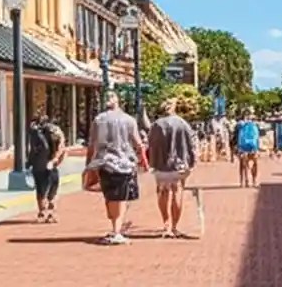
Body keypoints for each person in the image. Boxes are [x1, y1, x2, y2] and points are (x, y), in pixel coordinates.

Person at [84, 91, 148, 245]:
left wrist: (88, 164)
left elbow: (92, 145)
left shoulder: (98, 120)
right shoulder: (128, 120)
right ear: (118, 102)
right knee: (121, 198)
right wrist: (143, 160)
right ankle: (116, 231)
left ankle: (115, 227)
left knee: (109, 195)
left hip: (104, 163)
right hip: (124, 163)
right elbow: (138, 144)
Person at [148, 98, 198, 238]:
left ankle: (166, 223)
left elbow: (150, 144)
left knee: (162, 192)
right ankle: (175, 226)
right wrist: (192, 161)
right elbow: (191, 144)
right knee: (177, 191)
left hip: (160, 164)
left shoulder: (156, 125)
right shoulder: (183, 124)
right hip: (179, 164)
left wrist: (152, 162)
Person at [26, 112, 66, 223]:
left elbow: (32, 151)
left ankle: (42, 212)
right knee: (53, 188)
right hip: (51, 165)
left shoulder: (34, 132)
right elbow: (62, 147)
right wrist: (55, 160)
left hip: (39, 165)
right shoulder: (55, 130)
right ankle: (51, 213)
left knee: (40, 189)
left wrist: (29, 162)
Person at [236, 108, 261, 188]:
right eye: (246, 114)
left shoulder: (255, 124)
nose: (248, 116)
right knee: (243, 164)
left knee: (255, 163)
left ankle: (253, 180)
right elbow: (238, 134)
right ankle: (244, 180)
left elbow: (257, 136)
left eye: (249, 114)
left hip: (253, 146)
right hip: (243, 146)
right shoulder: (240, 124)